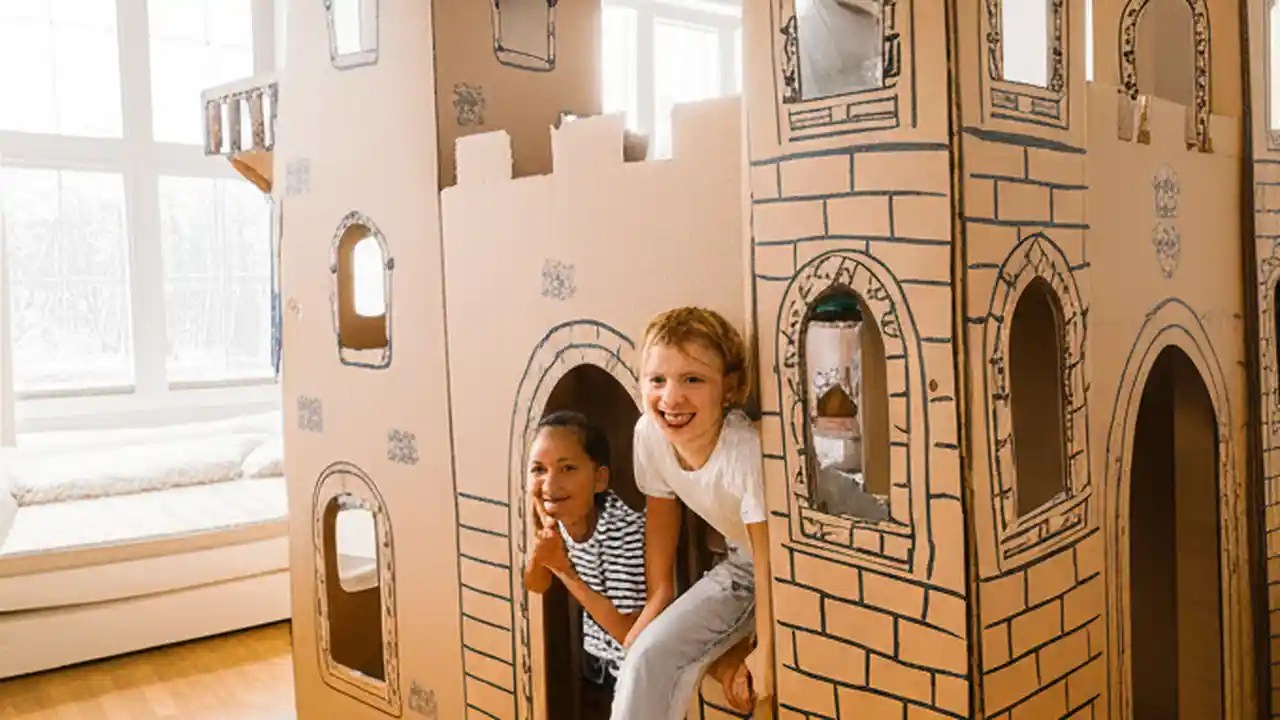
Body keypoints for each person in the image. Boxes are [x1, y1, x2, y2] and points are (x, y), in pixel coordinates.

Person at [612, 307, 773, 719]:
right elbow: (661, 509)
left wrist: (768, 651)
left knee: (657, 657)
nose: (671, 398)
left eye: (693, 380)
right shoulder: (649, 434)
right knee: (645, 657)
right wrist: (659, 596)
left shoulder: (743, 453)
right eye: (657, 380)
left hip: (773, 574)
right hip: (739, 566)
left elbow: (768, 562)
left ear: (730, 389)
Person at [523, 410, 647, 687]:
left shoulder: (623, 529)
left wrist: (562, 570)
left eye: (567, 468)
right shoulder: (555, 516)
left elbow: (629, 633)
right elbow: (536, 584)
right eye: (539, 470)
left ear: (599, 479)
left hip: (632, 671)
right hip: (595, 662)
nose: (551, 485)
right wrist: (542, 542)